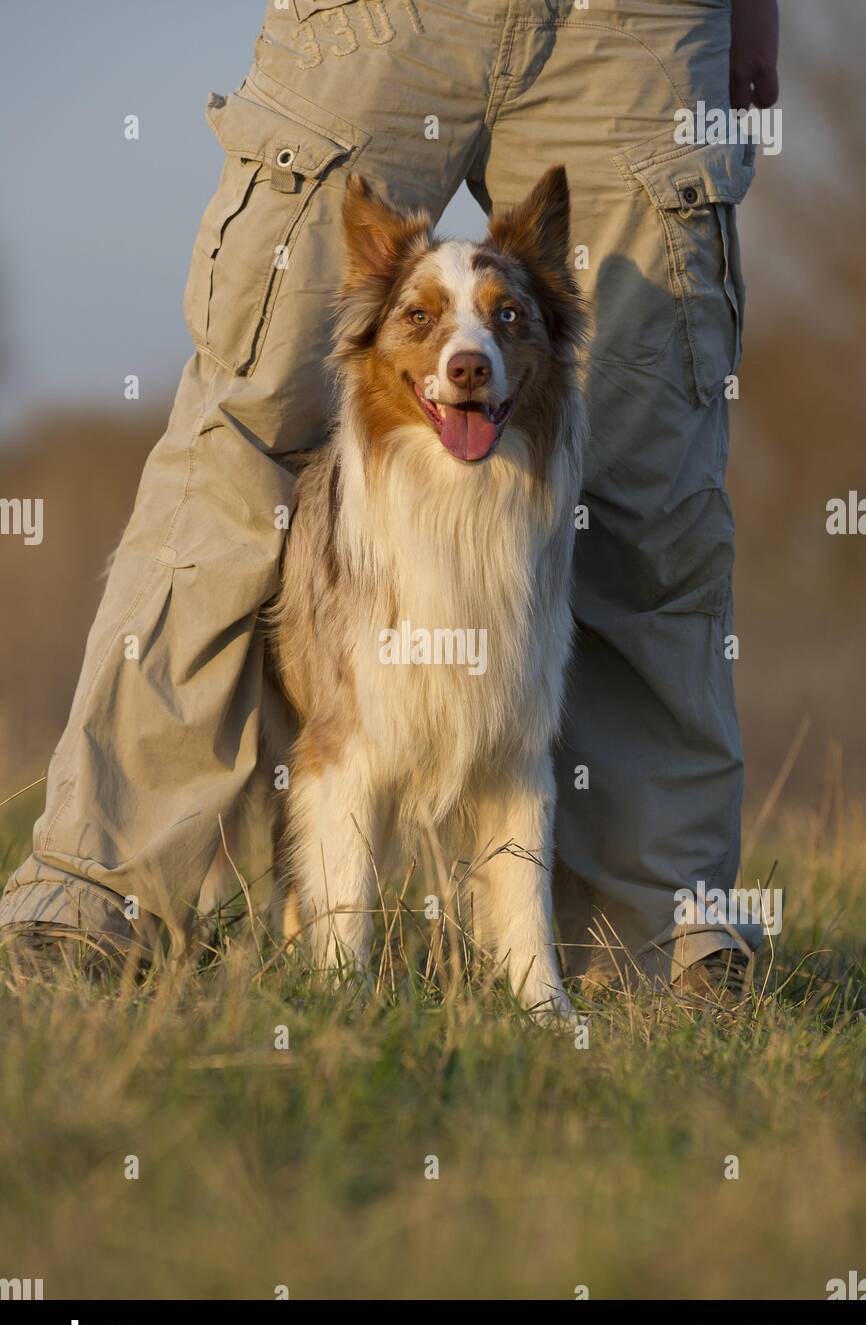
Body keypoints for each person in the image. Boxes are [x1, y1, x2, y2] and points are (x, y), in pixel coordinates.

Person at [0, 0, 780, 996]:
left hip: (636, 27)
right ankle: (96, 899)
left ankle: (660, 941)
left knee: (647, 494)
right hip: (376, 19)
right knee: (235, 456)